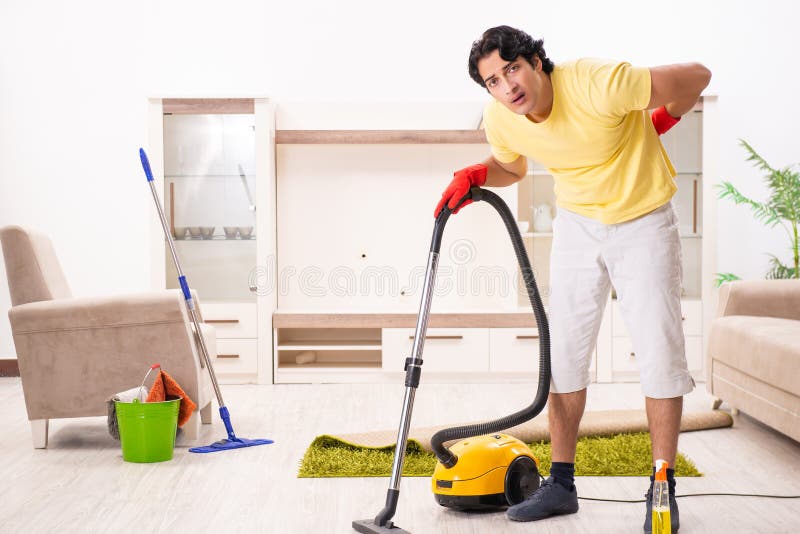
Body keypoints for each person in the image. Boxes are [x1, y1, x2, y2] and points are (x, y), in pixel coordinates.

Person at [434, 25, 711, 533]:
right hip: (579, 227)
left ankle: (662, 483)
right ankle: (560, 484)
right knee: (563, 356)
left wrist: (665, 115)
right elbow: (511, 169)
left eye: (512, 68)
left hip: (643, 219)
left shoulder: (600, 82)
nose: (507, 86)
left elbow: (699, 76)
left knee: (659, 352)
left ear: (536, 61)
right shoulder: (501, 117)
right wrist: (476, 174)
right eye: (493, 80)